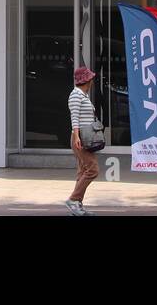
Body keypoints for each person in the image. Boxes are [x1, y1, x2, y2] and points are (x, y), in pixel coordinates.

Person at [65, 65, 99, 215]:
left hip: (84, 138)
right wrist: (77, 136)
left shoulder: (83, 95)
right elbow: (75, 118)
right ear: (87, 80)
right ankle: (73, 200)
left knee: (82, 171)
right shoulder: (75, 95)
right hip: (80, 138)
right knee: (93, 170)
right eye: (91, 79)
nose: (92, 82)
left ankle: (76, 205)